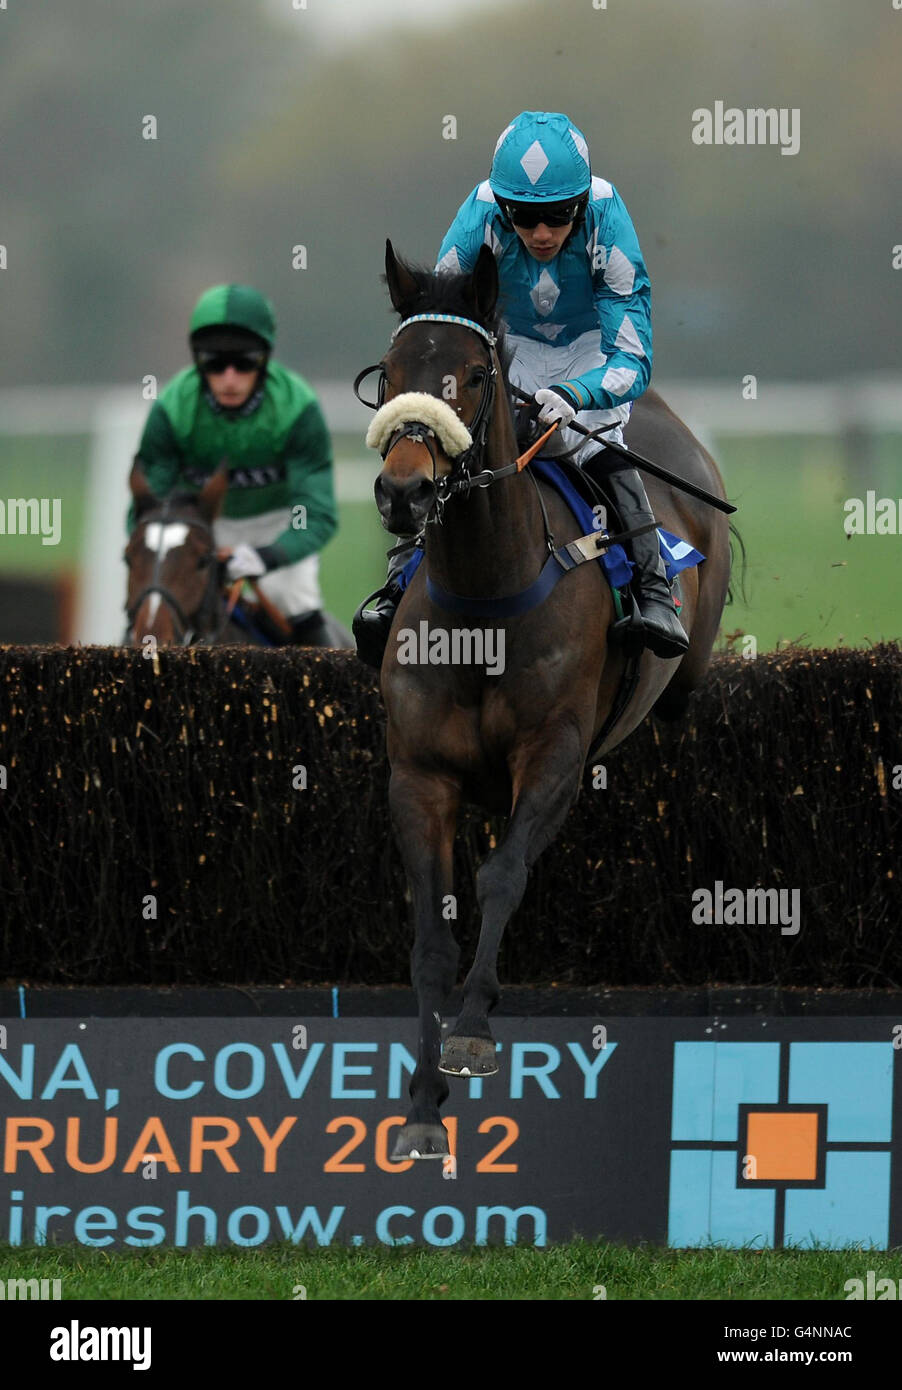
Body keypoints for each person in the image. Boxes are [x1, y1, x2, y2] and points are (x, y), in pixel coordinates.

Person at [353, 110, 688, 666]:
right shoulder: (479, 212)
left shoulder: (607, 213)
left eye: (557, 218)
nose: (540, 233)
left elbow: (632, 356)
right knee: (455, 454)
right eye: (525, 218)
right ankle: (398, 583)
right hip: (504, 349)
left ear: (580, 203)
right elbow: (444, 325)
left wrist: (578, 394)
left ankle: (654, 592)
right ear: (502, 206)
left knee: (595, 442)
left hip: (591, 348)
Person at [128, 283, 338, 644]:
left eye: (244, 363)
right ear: (198, 361)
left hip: (279, 525)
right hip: (198, 529)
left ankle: (333, 698)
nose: (229, 378)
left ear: (265, 360)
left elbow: (316, 514)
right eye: (214, 363)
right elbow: (146, 510)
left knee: (294, 599)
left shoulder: (297, 408)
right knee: (151, 608)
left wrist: (267, 556)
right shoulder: (171, 410)